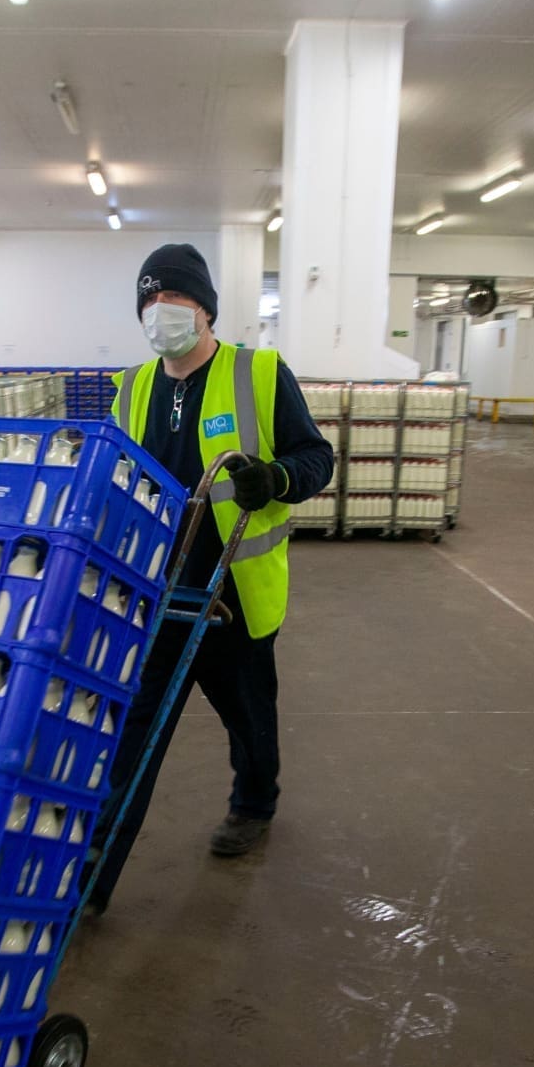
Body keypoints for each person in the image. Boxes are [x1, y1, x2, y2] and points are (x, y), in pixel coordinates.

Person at [86, 243, 335, 913]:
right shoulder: (135, 387)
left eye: (174, 300)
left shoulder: (257, 372)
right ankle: (93, 876)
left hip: (233, 593)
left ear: (205, 309)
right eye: (150, 302)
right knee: (135, 732)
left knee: (249, 715)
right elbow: (115, 479)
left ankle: (255, 803)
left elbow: (318, 456)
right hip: (158, 595)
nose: (160, 313)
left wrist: (277, 477)